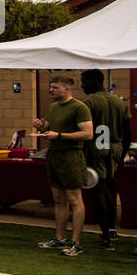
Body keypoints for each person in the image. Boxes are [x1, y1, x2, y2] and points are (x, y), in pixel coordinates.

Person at [34, 76, 94, 256]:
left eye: (55, 87)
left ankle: (76, 242)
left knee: (75, 200)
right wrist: (41, 127)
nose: (51, 90)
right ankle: (60, 238)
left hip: (71, 156)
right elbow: (48, 129)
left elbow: (88, 134)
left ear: (67, 89)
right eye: (50, 87)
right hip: (54, 156)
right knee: (59, 200)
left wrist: (59, 136)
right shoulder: (52, 107)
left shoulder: (79, 107)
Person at [79, 69, 131, 250]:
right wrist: (123, 156)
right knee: (110, 186)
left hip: (97, 148)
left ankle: (106, 234)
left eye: (84, 81)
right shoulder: (120, 102)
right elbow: (128, 134)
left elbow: (85, 133)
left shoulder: (89, 103)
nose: (82, 85)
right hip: (115, 147)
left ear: (95, 81)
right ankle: (112, 229)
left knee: (99, 189)